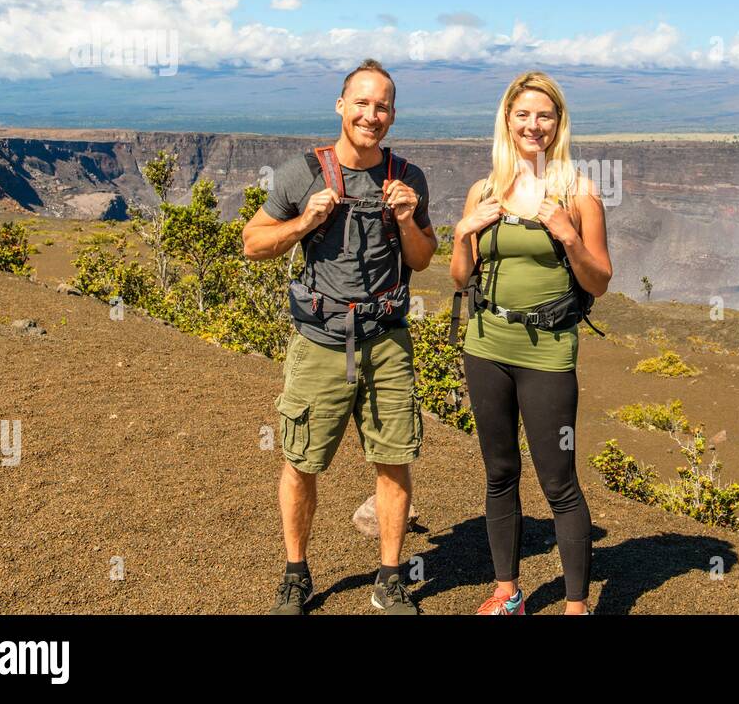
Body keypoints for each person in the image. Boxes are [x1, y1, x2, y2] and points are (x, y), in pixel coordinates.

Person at [243, 59, 437, 615]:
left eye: (382, 107)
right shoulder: (301, 173)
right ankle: (296, 575)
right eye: (361, 103)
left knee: (394, 458)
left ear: (393, 114)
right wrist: (304, 222)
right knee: (302, 460)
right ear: (340, 105)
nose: (370, 115)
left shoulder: (409, 177)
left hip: (386, 340)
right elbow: (252, 243)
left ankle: (390, 578)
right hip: (321, 342)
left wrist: (405, 219)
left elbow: (423, 259)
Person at [449, 71, 612, 615]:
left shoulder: (579, 192)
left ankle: (575, 604)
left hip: (547, 352)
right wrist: (462, 230)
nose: (533, 125)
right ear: (508, 120)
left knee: (558, 478)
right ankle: (507, 591)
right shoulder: (485, 189)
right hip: (486, 345)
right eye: (523, 115)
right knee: (499, 471)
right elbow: (458, 277)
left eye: (544, 115)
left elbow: (600, 280)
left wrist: (567, 233)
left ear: (558, 123)